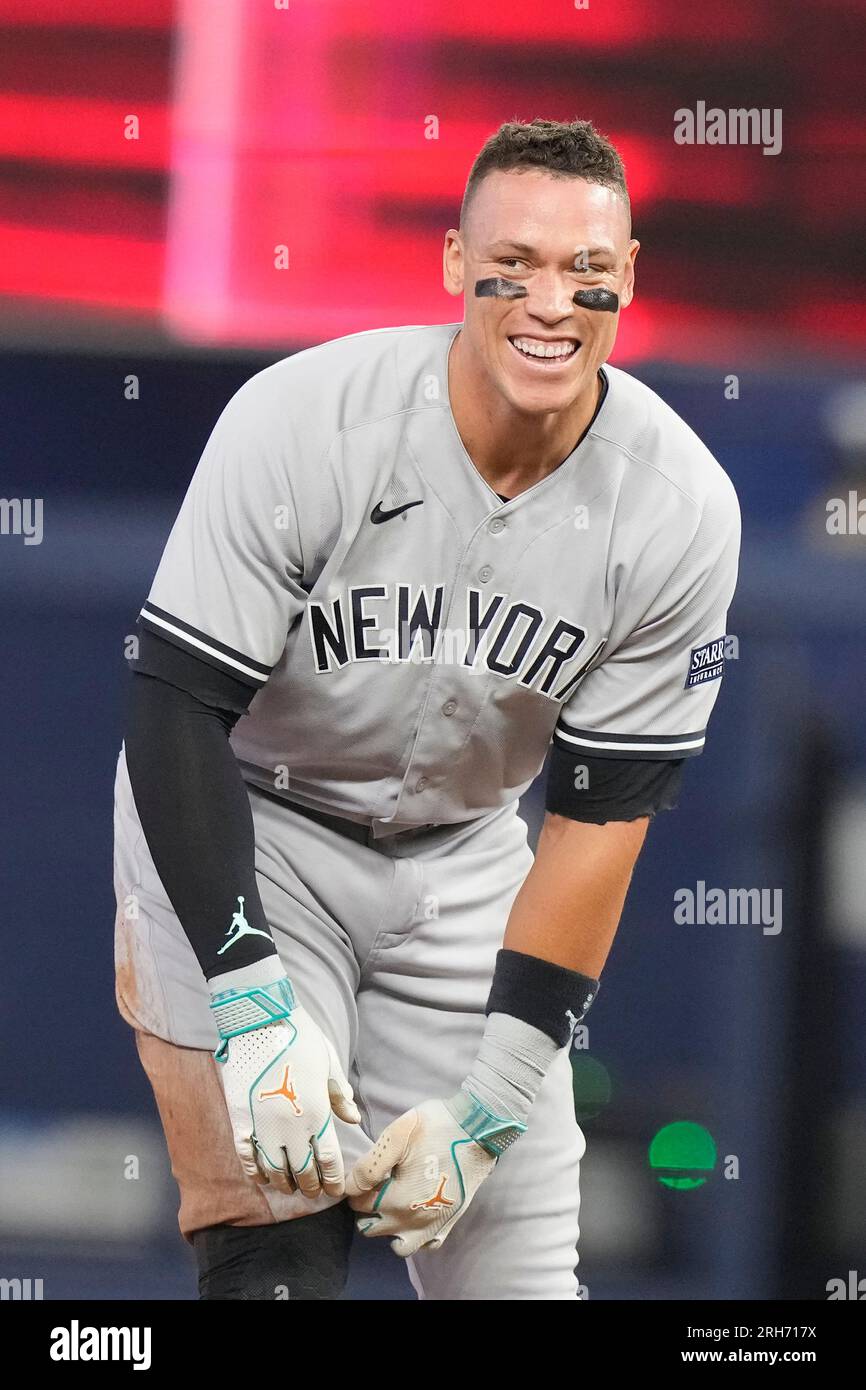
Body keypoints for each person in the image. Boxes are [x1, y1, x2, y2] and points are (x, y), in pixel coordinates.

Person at [113, 117, 740, 1301]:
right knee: (276, 1248)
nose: (549, 301)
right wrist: (248, 995)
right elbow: (174, 706)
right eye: (515, 263)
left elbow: (596, 826)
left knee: (517, 1286)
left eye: (585, 271)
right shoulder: (304, 420)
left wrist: (489, 1106)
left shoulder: (677, 507)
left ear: (626, 278)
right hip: (254, 823)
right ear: (455, 262)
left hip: (464, 857)